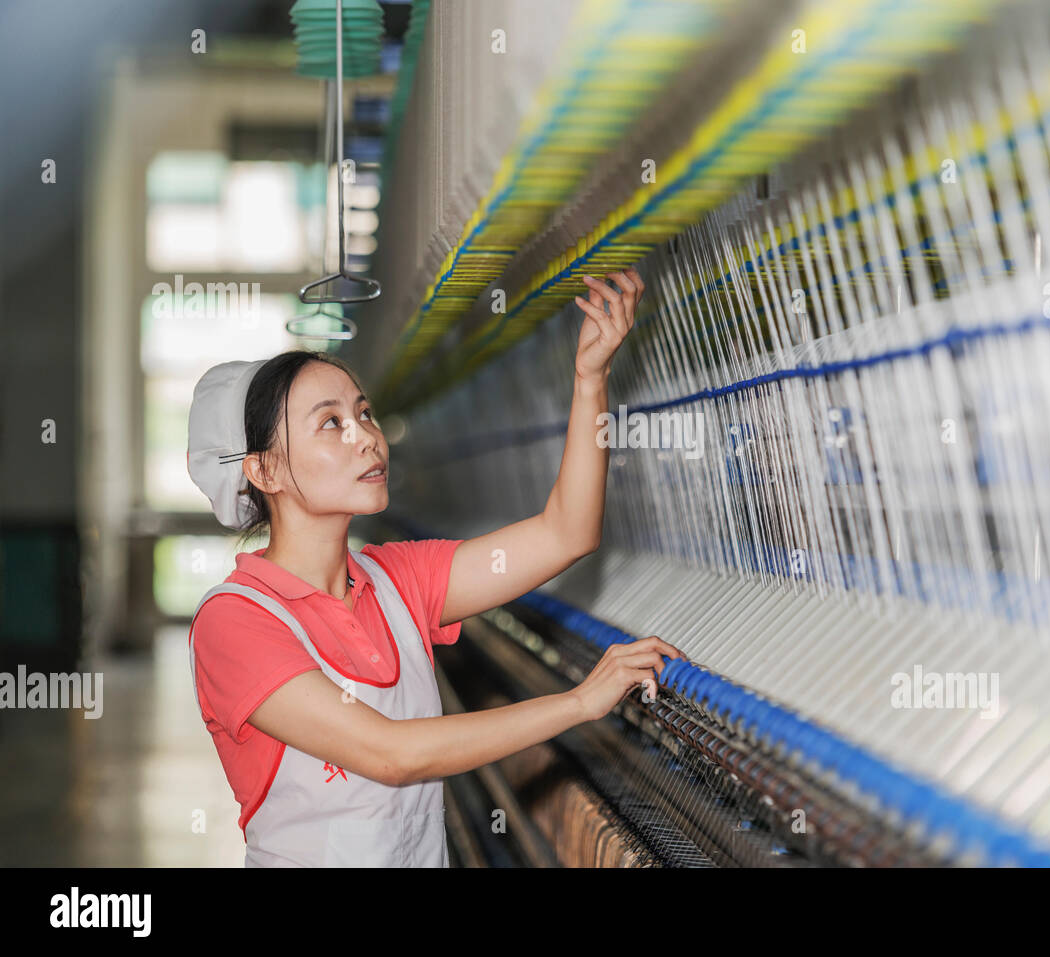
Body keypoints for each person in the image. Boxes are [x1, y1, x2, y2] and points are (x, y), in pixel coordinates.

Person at [185, 268, 683, 866]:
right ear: (263, 471)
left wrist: (590, 378)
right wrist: (578, 702)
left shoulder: (398, 581)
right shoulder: (234, 622)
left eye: (364, 413)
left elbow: (565, 534)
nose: (367, 438)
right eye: (331, 424)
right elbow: (392, 754)